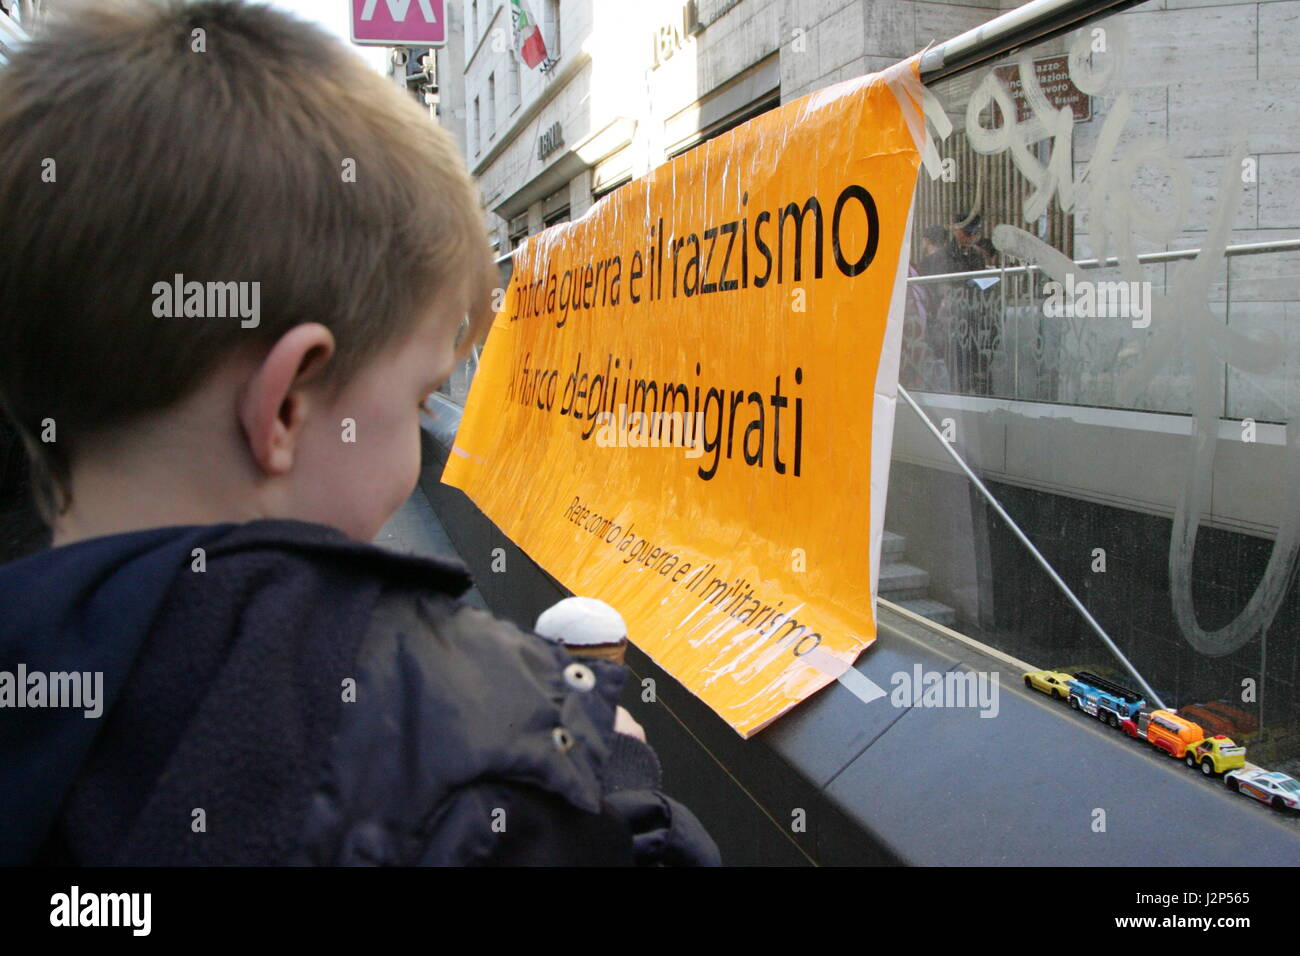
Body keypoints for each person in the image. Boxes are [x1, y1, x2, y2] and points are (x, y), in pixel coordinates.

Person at [0, 0, 718, 866]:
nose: (417, 443)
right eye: (418, 404)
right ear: (289, 407)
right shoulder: (487, 753)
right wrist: (618, 774)